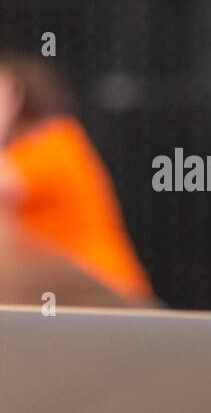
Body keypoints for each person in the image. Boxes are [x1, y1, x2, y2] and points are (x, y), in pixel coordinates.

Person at [0, 54, 152, 302]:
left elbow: (6, 185)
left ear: (18, 101)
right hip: (50, 293)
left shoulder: (57, 140)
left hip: (102, 291)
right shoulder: (17, 153)